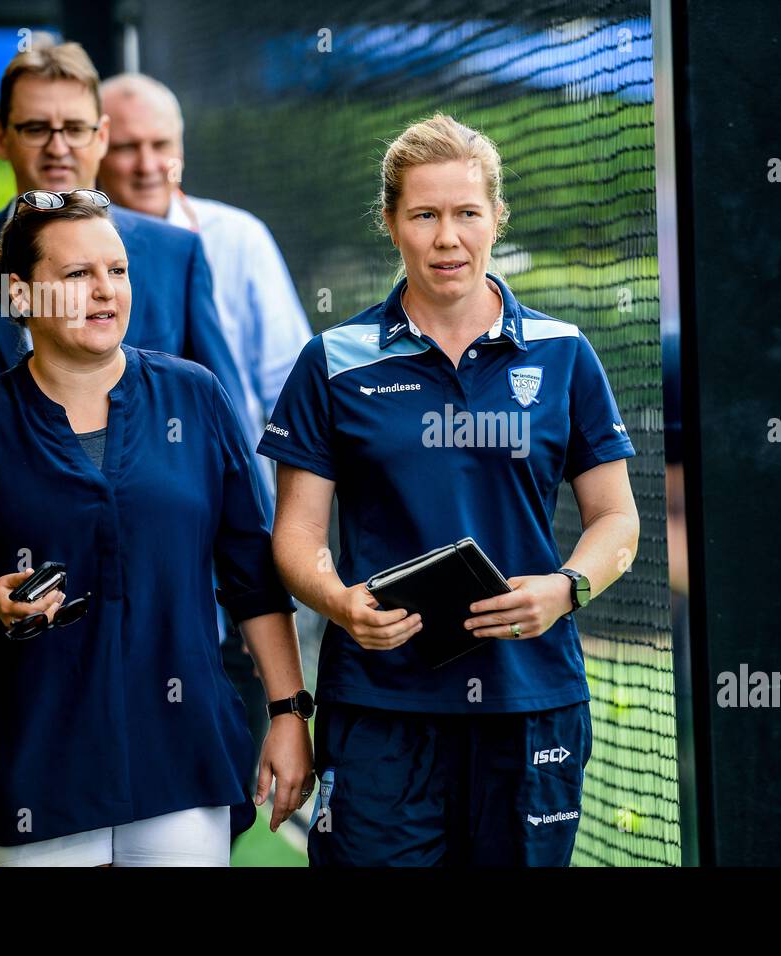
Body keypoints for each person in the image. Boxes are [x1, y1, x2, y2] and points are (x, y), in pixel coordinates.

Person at [0, 192, 314, 866]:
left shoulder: (194, 396)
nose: (105, 290)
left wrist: (289, 713)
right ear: (20, 294)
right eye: (77, 275)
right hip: (32, 766)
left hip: (179, 758)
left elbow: (251, 575)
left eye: (117, 270)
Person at [258, 114, 640, 866]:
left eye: (467, 213)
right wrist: (341, 604)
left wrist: (566, 589)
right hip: (378, 707)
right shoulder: (331, 361)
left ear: (497, 217)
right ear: (390, 223)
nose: (447, 238)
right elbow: (295, 538)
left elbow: (617, 521)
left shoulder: (565, 353)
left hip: (532, 701)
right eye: (424, 215)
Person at [0, 40, 250, 675]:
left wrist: (247, 599)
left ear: (100, 136)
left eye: (73, 127)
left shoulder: (174, 255)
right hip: (8, 610)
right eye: (36, 127)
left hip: (162, 611)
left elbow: (224, 440)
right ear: (1, 137)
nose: (57, 146)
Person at [97, 72, 316, 777]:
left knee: (227, 756)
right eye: (127, 146)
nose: (147, 162)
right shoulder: (66, 256)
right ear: (100, 149)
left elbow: (292, 396)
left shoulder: (236, 239)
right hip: (120, 548)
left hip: (228, 536)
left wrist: (271, 547)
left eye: (162, 144)